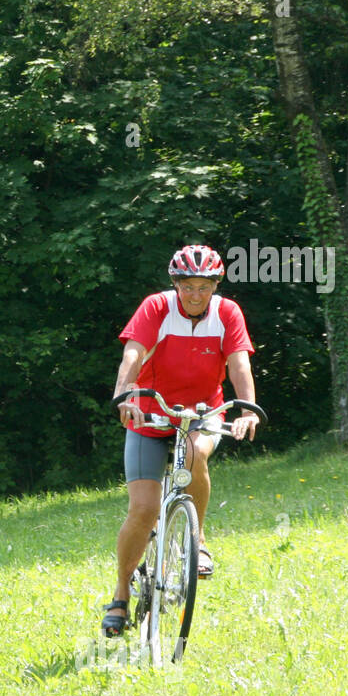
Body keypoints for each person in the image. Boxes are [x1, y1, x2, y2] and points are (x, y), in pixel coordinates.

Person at [103, 245, 260, 637]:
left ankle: (198, 539)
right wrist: (125, 393)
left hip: (202, 412)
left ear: (214, 286)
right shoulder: (156, 308)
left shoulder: (227, 313)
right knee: (142, 511)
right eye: (187, 286)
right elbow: (132, 354)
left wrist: (248, 408)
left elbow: (240, 363)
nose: (195, 294)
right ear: (175, 285)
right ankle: (121, 594)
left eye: (204, 286)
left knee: (194, 452)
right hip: (150, 413)